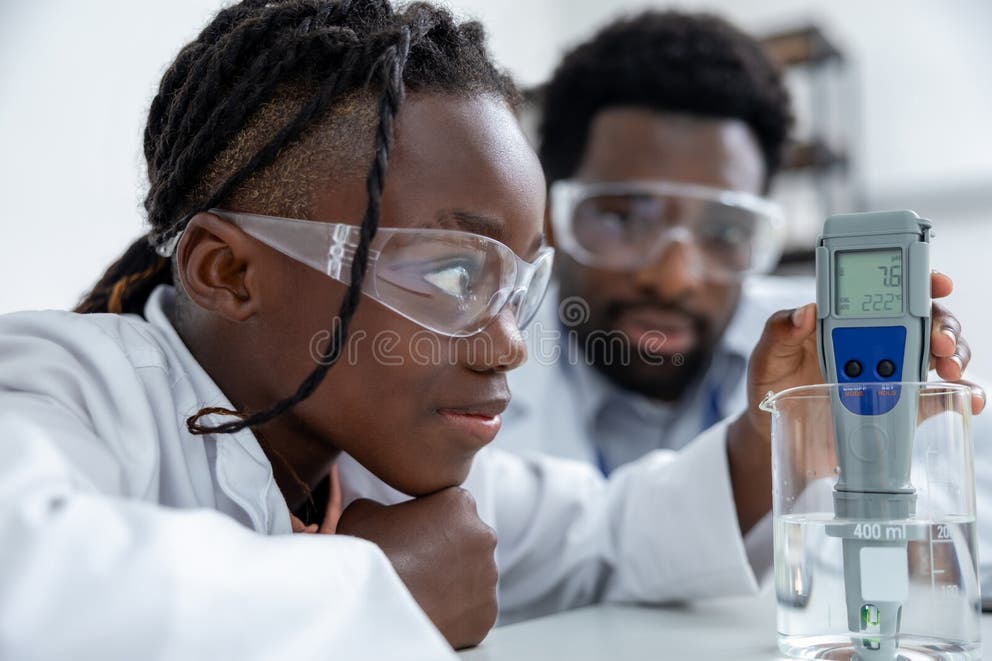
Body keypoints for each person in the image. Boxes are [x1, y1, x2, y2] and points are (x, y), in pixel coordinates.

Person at [0, 4, 978, 660]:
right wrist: (379, 587)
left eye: (523, 282)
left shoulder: (370, 452)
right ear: (227, 271)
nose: (507, 342)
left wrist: (767, 435)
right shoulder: (66, 382)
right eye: (452, 271)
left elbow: (610, 535)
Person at [495, 10, 990, 573]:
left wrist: (888, 451)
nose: (675, 276)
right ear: (552, 216)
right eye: (622, 217)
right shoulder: (471, 356)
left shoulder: (826, 349)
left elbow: (967, 530)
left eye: (726, 231)